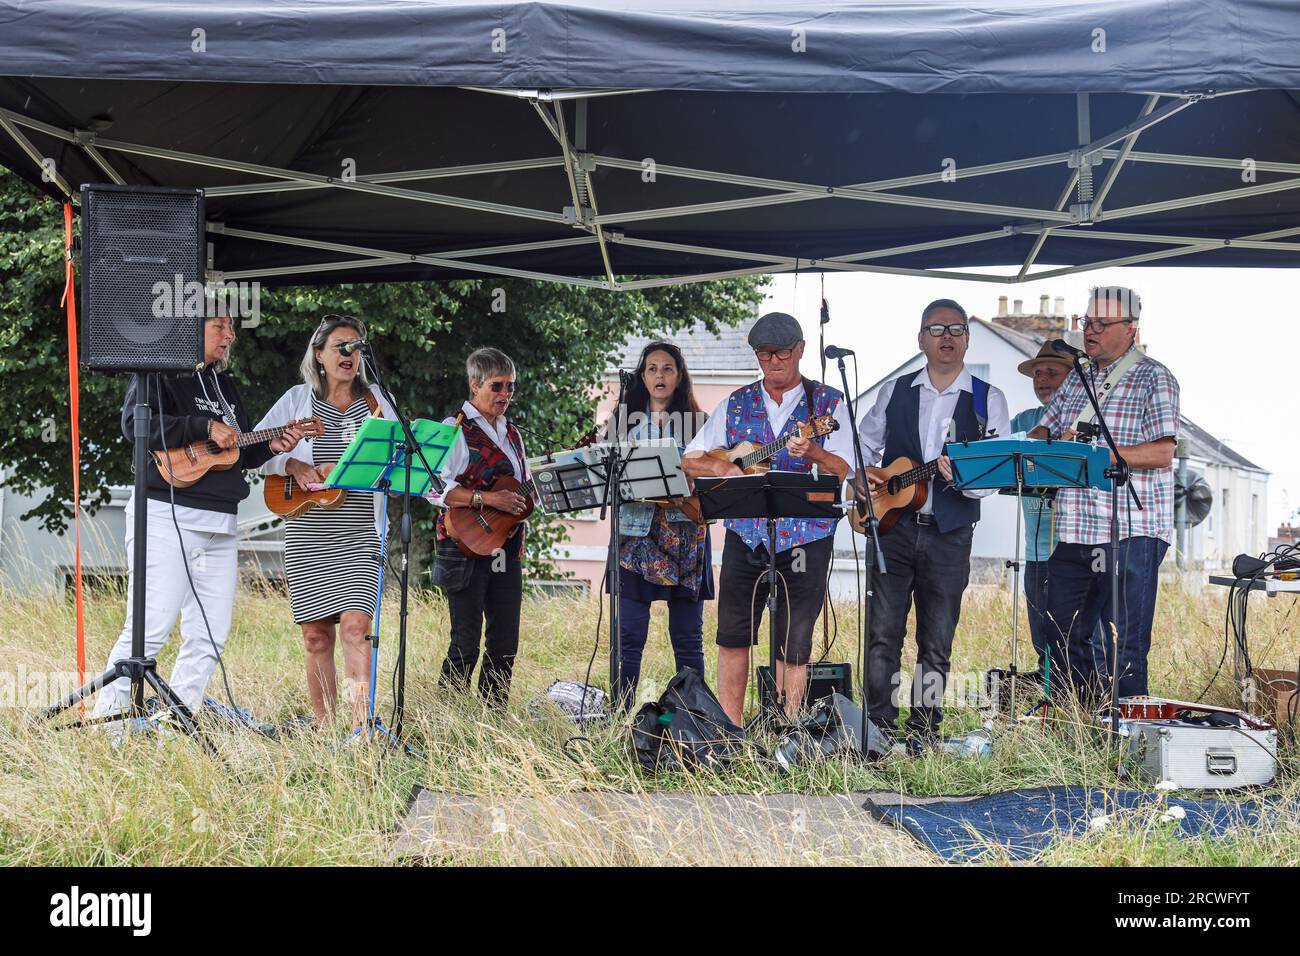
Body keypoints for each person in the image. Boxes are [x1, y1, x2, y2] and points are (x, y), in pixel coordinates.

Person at [93, 312, 304, 721]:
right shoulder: (159, 372)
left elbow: (234, 452)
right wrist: (203, 425)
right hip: (166, 514)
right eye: (219, 326)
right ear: (191, 328)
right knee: (148, 629)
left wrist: (273, 445)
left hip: (220, 522)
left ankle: (175, 723)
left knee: (209, 635)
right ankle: (110, 727)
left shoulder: (223, 383)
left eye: (231, 328)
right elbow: (136, 424)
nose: (230, 336)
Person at [683, 312, 855, 725]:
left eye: (780, 354)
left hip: (807, 537)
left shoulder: (828, 404)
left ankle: (785, 728)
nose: (773, 363)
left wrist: (814, 453)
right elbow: (690, 459)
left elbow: (847, 469)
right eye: (764, 355)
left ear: (800, 350)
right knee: (732, 634)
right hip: (746, 534)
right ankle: (730, 730)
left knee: (794, 641)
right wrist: (722, 468)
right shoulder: (736, 402)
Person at [857, 299, 1011, 750]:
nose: (947, 336)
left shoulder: (987, 399)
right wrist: (866, 481)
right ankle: (878, 731)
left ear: (967, 339)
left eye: (957, 329)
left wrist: (962, 478)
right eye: (937, 328)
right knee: (883, 633)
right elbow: (863, 444)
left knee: (936, 638)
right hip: (892, 528)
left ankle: (924, 733)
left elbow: (995, 473)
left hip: (950, 532)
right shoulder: (895, 390)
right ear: (921, 338)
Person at [1029, 287, 1179, 702]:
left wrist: (1099, 454)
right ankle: (1082, 720)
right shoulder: (1077, 379)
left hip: (1132, 528)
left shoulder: (1154, 377)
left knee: (1125, 642)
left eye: (1101, 324)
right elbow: (1041, 429)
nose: (1089, 331)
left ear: (1131, 329)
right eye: (1086, 322)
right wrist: (1051, 440)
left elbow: (1163, 451)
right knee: (1058, 632)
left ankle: (1130, 738)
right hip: (1075, 529)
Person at [255, 314, 396, 730]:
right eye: (340, 346)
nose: (349, 354)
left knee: (356, 627)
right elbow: (258, 450)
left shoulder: (377, 403)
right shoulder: (297, 399)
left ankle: (359, 727)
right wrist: (295, 463)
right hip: (307, 532)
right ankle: (324, 727)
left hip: (359, 533)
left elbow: (394, 461)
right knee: (317, 636)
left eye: (355, 346)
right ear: (319, 355)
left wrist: (355, 468)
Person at [610, 341, 713, 705]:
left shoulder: (701, 424)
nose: (659, 375)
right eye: (652, 368)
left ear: (680, 376)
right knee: (629, 635)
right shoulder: (622, 422)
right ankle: (619, 713)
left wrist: (685, 489)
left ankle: (695, 717)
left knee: (687, 636)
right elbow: (609, 478)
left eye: (667, 368)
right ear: (642, 376)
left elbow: (714, 481)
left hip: (685, 537)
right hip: (635, 539)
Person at [430, 348, 529, 710]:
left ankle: (492, 718)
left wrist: (520, 504)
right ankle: (448, 719)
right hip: (464, 545)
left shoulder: (514, 435)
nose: (505, 395)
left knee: (505, 643)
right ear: (474, 385)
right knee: (465, 642)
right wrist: (488, 500)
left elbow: (522, 487)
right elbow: (433, 488)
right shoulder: (453, 428)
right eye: (497, 386)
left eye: (511, 388)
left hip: (506, 547)